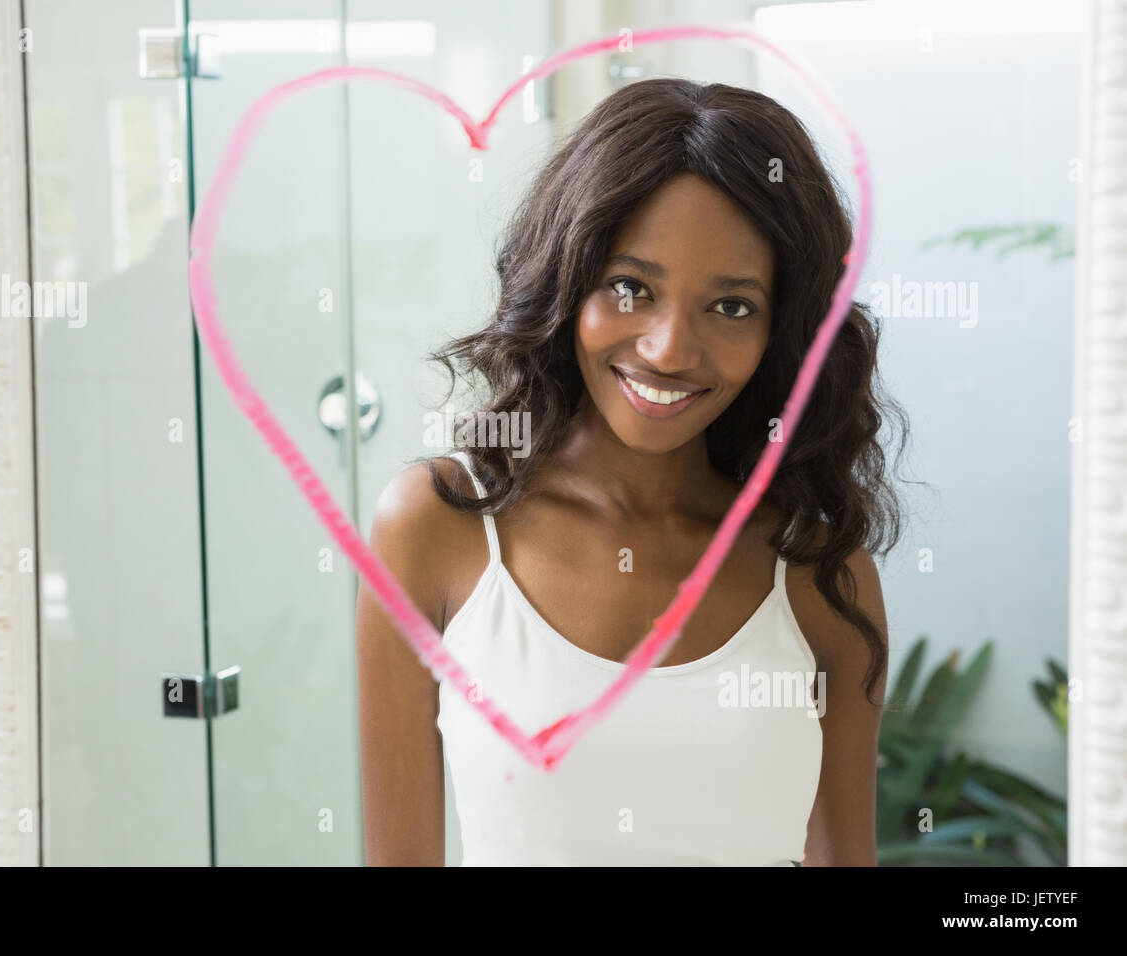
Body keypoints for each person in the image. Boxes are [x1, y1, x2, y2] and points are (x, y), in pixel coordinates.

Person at [356, 77, 908, 866]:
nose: (669, 349)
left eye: (731, 306)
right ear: (566, 277)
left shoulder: (818, 568)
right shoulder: (435, 528)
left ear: (783, 329)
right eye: (630, 288)